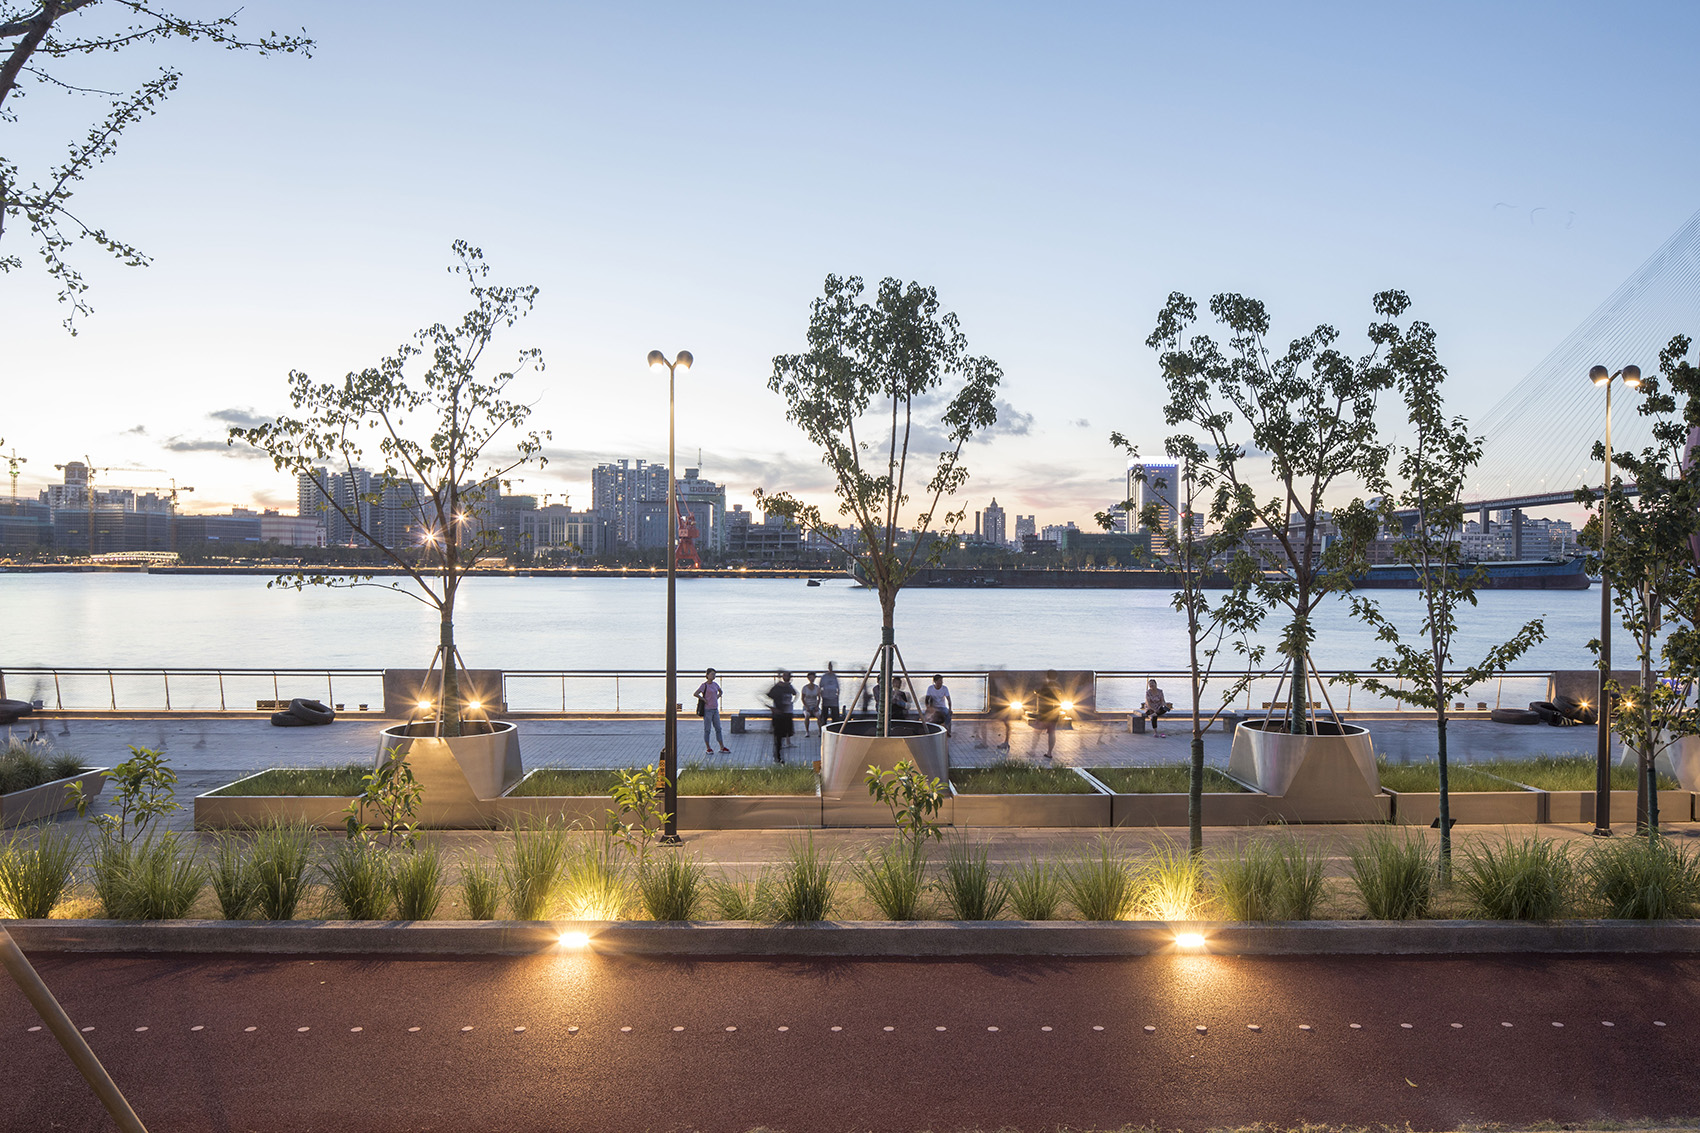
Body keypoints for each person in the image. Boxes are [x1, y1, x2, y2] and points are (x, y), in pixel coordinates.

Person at [694, 668, 730, 755]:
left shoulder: (715, 684)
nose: (714, 676)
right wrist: (703, 699)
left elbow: (720, 691)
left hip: (715, 709)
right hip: (707, 710)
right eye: (712, 674)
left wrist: (717, 697)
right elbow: (696, 693)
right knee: (707, 729)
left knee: (718, 728)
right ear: (707, 675)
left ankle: (722, 747)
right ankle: (708, 748)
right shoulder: (704, 685)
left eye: (714, 674)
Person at [766, 670, 797, 763]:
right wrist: (771, 707)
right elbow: (767, 695)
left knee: (784, 735)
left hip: (787, 714)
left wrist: (792, 703)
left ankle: (779, 756)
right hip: (778, 715)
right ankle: (778, 757)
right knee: (778, 737)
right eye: (784, 676)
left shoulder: (789, 687)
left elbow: (795, 694)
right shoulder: (777, 687)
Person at [1035, 669, 1064, 759]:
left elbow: (1038, 693)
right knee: (1052, 732)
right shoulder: (1058, 686)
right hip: (1055, 712)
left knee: (1037, 731)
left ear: (1047, 676)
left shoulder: (1045, 684)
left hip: (1044, 712)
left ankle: (1032, 750)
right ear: (1056, 677)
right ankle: (1049, 752)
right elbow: (1062, 697)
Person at [800, 672, 822, 736]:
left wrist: (817, 706)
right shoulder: (805, 688)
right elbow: (802, 698)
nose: (812, 679)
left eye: (813, 677)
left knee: (819, 716)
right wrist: (806, 707)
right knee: (807, 715)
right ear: (808, 678)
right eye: (810, 677)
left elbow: (819, 698)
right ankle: (807, 732)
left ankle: (820, 731)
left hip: (815, 706)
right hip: (807, 706)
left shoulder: (817, 687)